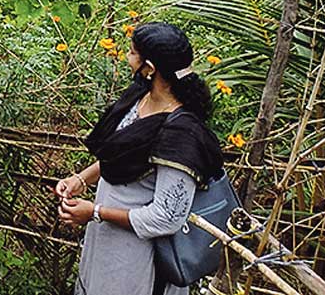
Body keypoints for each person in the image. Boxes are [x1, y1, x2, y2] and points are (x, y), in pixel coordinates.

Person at [56, 22, 226, 295]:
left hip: (138, 256)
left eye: (132, 53)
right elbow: (123, 155)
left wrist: (95, 212)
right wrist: (81, 178)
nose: (127, 57)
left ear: (150, 66)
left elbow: (166, 217)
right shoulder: (140, 97)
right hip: (107, 239)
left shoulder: (181, 135)